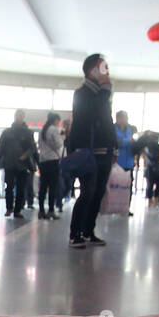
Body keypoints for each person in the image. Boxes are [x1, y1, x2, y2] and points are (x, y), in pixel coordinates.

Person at [67, 53, 116, 248]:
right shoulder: (82, 94)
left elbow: (107, 122)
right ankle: (75, 233)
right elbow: (91, 115)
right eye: (102, 67)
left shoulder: (103, 95)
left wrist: (115, 147)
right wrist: (105, 91)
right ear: (91, 71)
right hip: (87, 151)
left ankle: (88, 231)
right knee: (87, 191)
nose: (107, 71)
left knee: (98, 192)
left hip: (105, 151)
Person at [0, 109, 35, 219]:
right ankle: (9, 208)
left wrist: (25, 156)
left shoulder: (28, 132)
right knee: (9, 187)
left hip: (22, 165)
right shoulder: (7, 132)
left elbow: (32, 148)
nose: (19, 117)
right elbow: (0, 148)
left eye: (21, 115)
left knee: (21, 188)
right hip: (9, 163)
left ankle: (17, 210)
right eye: (18, 115)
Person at [37, 112, 64, 219]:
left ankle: (41, 210)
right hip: (53, 161)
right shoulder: (54, 129)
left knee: (43, 186)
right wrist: (62, 138)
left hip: (43, 161)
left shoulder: (42, 130)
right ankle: (51, 210)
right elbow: (58, 144)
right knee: (53, 186)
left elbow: (39, 145)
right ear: (56, 120)